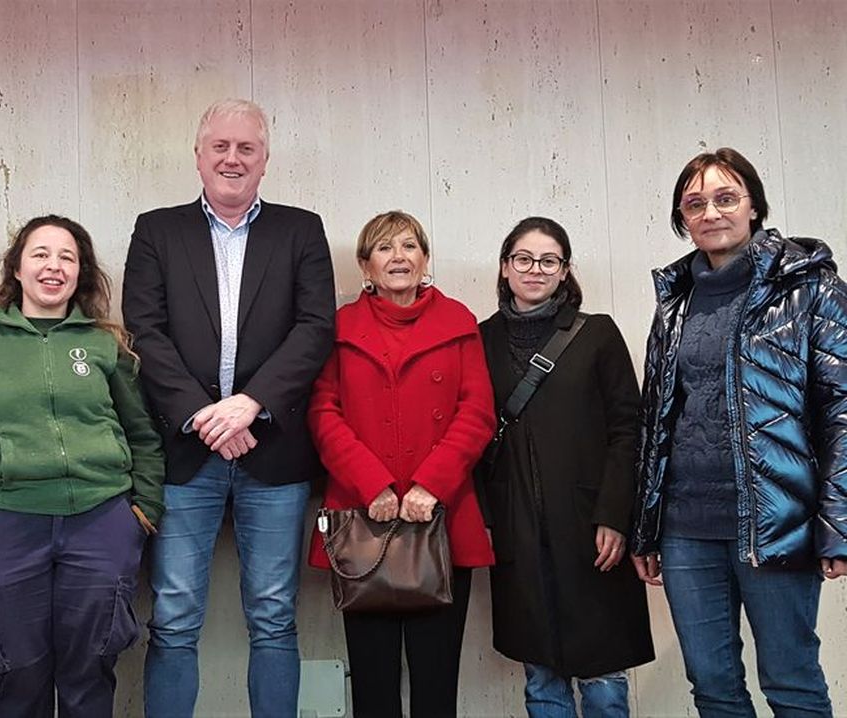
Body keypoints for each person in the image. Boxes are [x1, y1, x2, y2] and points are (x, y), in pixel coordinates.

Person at [122, 98, 335, 717]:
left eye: (246, 148)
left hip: (273, 451)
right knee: (174, 614)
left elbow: (316, 327)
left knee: (273, 616)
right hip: (187, 451)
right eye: (221, 147)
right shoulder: (157, 230)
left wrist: (251, 404)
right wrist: (205, 414)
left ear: (265, 159)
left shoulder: (301, 230)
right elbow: (146, 328)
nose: (232, 159)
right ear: (199, 156)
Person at [632, 147, 847, 716]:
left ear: (754, 206)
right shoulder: (675, 302)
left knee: (792, 681)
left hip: (776, 522)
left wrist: (838, 525)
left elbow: (842, 413)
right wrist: (646, 528)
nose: (711, 212)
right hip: (686, 528)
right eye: (695, 203)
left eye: (726, 198)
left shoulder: (811, 289)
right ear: (683, 218)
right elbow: (657, 420)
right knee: (713, 686)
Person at [0, 214, 164, 718]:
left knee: (90, 673)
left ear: (80, 272)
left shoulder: (107, 344)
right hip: (8, 523)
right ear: (16, 269)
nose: (53, 266)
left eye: (67, 257)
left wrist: (140, 513)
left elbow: (144, 435)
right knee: (19, 676)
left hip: (101, 520)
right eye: (40, 254)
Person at [307, 210, 494, 718]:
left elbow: (477, 413)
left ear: (425, 259)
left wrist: (430, 485)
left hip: (441, 516)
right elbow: (323, 413)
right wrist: (374, 485)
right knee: (372, 684)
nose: (399, 257)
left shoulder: (458, 324)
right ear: (365, 267)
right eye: (385, 248)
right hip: (363, 522)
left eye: (409, 246)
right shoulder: (338, 328)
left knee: (437, 683)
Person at [478, 217, 654, 717]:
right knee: (540, 671)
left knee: (600, 667)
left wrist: (616, 515)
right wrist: (488, 520)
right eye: (524, 259)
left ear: (565, 271)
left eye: (548, 261)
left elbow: (628, 427)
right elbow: (471, 432)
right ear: (505, 267)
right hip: (517, 526)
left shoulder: (595, 334)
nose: (535, 270)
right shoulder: (480, 339)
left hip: (589, 523)